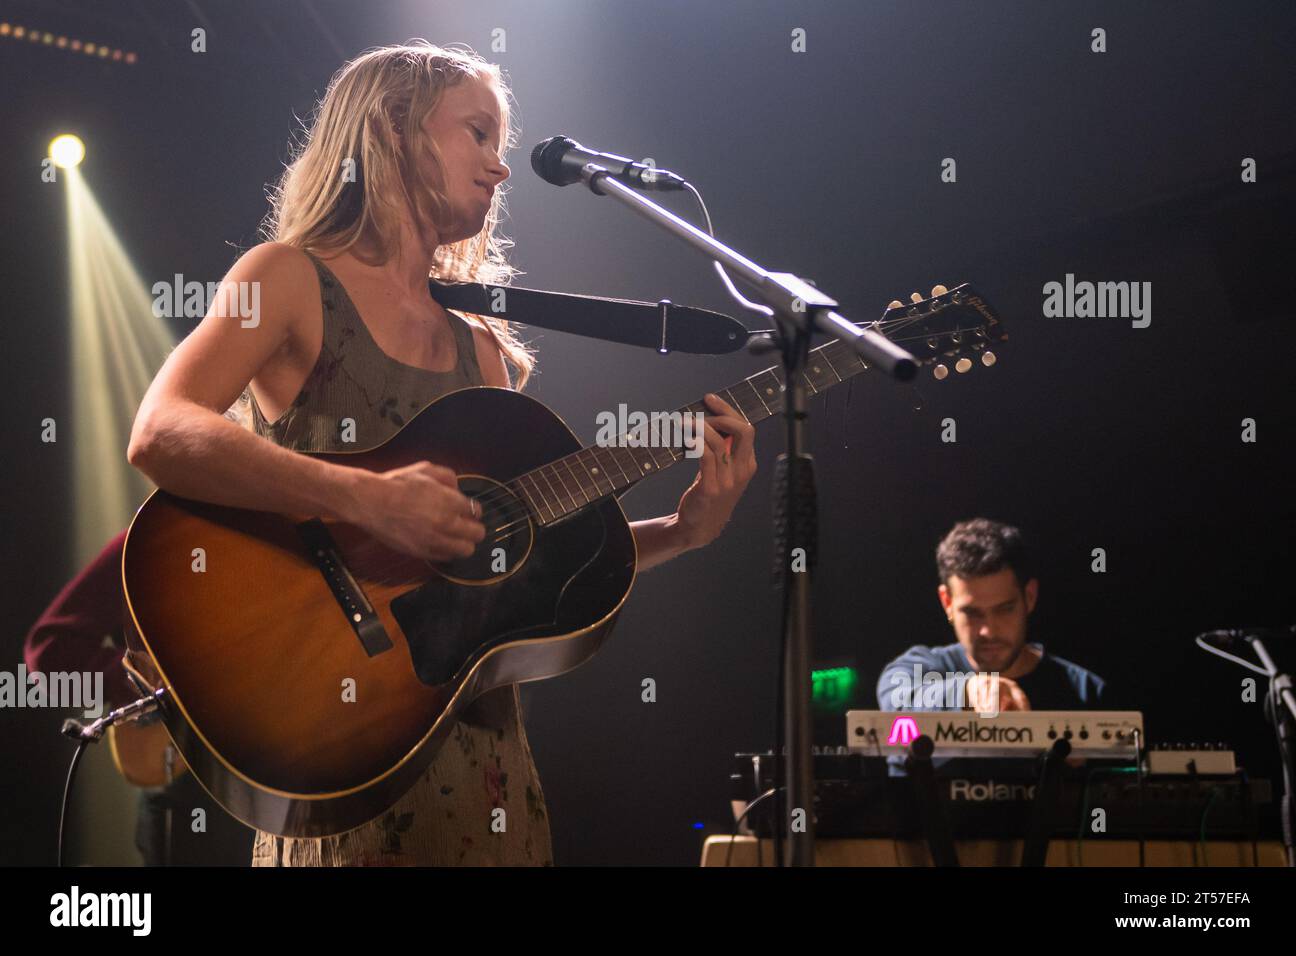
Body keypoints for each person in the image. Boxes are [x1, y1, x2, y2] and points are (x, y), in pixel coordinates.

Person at [126, 42, 757, 866]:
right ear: (392, 129)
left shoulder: (483, 349)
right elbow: (161, 430)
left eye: (501, 143)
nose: (501, 169)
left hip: (487, 767)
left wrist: (681, 530)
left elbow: (513, 562)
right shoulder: (286, 278)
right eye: (478, 135)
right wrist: (365, 500)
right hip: (340, 747)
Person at [24, 530, 254, 865]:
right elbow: (49, 653)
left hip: (285, 779)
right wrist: (153, 676)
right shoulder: (146, 541)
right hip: (190, 786)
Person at [877, 518, 1107, 715]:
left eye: (1004, 609)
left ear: (1030, 596)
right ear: (947, 603)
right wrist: (967, 691)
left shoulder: (1085, 692)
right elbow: (895, 695)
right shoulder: (920, 669)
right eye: (972, 613)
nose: (989, 630)